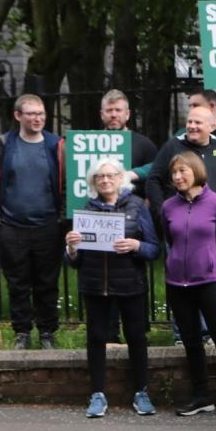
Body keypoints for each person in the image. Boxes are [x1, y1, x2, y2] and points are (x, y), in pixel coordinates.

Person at [63, 158, 160, 417]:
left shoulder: (137, 206)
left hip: (131, 285)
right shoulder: (86, 211)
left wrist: (136, 246)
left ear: (121, 179)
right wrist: (71, 248)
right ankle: (97, 394)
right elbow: (75, 261)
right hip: (95, 286)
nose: (106, 180)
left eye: (111, 175)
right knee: (95, 339)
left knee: (136, 338)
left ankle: (141, 392)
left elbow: (153, 249)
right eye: (100, 177)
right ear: (94, 183)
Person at [161, 153, 216, 418]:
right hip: (177, 282)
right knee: (191, 342)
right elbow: (168, 237)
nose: (177, 177)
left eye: (182, 171)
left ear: (196, 171)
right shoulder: (167, 207)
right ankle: (201, 397)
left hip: (211, 280)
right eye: (174, 173)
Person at [0, 95, 63, 350]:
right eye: (31, 114)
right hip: (12, 228)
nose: (37, 118)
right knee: (17, 284)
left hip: (48, 227)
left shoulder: (56, 145)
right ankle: (22, 333)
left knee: (47, 284)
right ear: (18, 116)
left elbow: (69, 184)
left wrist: (62, 220)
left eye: (41, 113)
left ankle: (47, 333)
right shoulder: (4, 145)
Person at [146, 105, 216, 230]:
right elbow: (153, 180)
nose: (192, 126)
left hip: (215, 225)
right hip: (180, 227)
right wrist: (161, 212)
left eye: (198, 122)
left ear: (211, 126)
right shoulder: (173, 146)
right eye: (189, 122)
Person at [99, 89, 157, 186]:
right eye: (109, 110)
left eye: (118, 110)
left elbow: (156, 177)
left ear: (127, 114)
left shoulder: (144, 145)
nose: (113, 115)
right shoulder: (90, 143)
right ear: (102, 115)